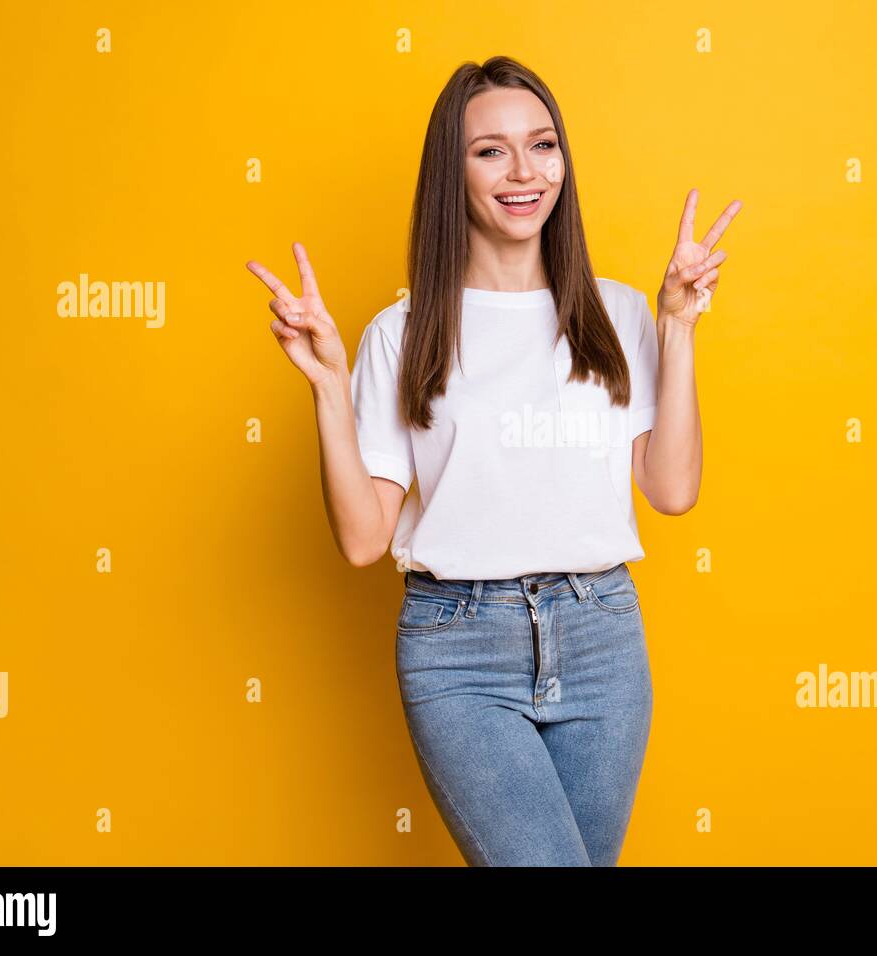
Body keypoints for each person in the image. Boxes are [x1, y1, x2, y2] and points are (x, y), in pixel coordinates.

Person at [246, 55, 740, 866]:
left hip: (601, 638)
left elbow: (672, 488)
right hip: (459, 647)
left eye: (543, 145)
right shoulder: (399, 336)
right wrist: (330, 389)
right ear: (453, 169)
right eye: (491, 151)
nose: (524, 172)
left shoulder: (620, 313)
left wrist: (678, 327)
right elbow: (364, 538)